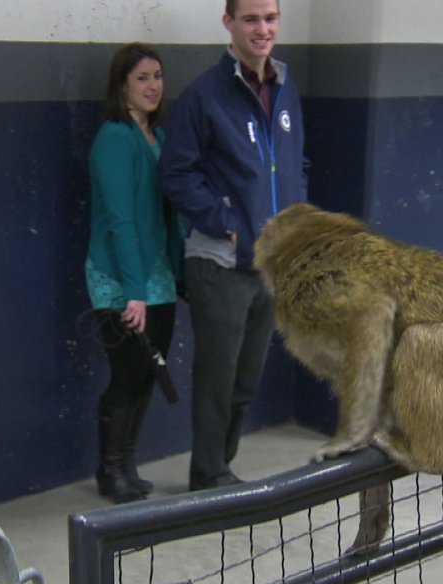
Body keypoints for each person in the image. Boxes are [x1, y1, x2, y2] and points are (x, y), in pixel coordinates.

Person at [158, 0, 308, 491]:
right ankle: (208, 476)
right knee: (218, 382)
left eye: (270, 19)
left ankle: (222, 468)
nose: (262, 29)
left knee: (245, 382)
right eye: (250, 19)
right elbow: (176, 174)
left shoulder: (286, 89)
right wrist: (228, 224)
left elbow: (293, 165)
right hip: (220, 265)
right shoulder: (205, 94)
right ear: (229, 24)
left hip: (270, 267)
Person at [86, 43, 186, 503]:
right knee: (127, 375)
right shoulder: (114, 138)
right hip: (121, 282)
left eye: (158, 76)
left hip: (158, 277)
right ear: (122, 84)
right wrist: (133, 292)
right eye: (142, 77)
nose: (152, 86)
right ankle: (110, 472)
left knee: (149, 372)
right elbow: (121, 220)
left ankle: (128, 463)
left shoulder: (158, 137)